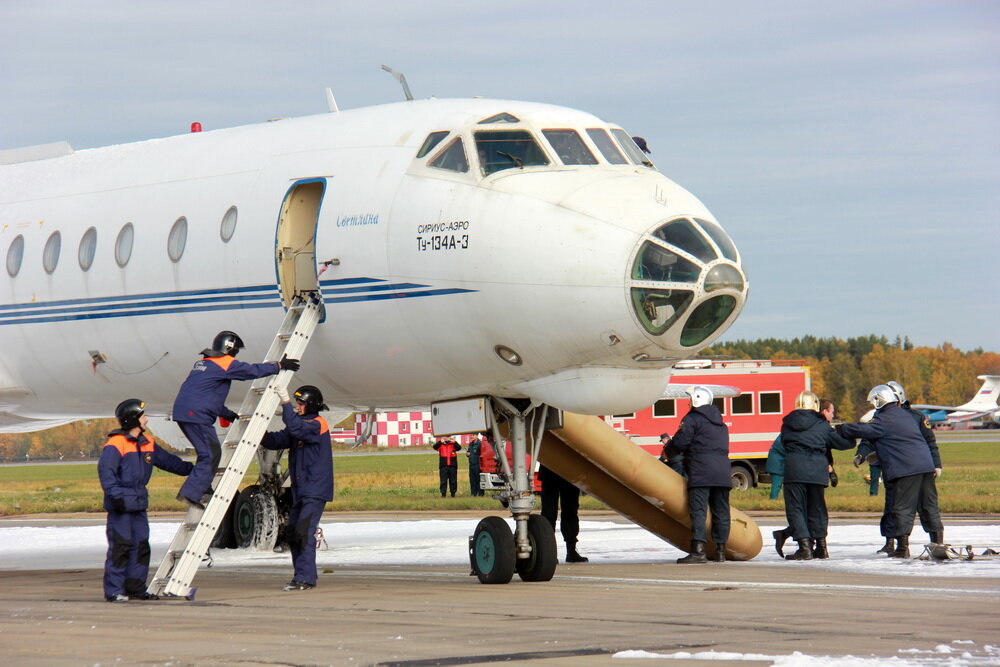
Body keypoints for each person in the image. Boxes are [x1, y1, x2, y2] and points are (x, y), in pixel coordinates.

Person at [172, 330, 299, 509]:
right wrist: (278, 366)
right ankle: (190, 493)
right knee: (211, 453)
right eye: (236, 351)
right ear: (229, 348)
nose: (236, 355)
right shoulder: (223, 362)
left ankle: (203, 488)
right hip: (197, 416)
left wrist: (227, 414)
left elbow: (205, 395)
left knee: (207, 454)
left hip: (186, 413)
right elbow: (250, 371)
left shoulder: (204, 363)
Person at [98, 399, 193, 601]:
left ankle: (135, 588)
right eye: (143, 416)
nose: (146, 419)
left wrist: (193, 470)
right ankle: (114, 591)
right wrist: (116, 497)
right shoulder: (116, 444)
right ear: (133, 419)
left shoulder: (147, 443)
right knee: (120, 547)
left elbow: (169, 462)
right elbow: (107, 473)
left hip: (139, 503)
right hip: (121, 505)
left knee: (141, 546)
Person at [838, 385, 943, 558]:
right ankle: (938, 541)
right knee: (928, 505)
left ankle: (902, 547)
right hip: (925, 467)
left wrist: (844, 429)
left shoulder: (886, 417)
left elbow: (868, 431)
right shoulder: (907, 415)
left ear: (880, 399)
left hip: (906, 468)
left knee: (902, 507)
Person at [260, 385, 333, 591]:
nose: (297, 407)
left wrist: (285, 404)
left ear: (310, 405)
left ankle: (306, 579)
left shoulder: (317, 424)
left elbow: (295, 429)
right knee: (293, 533)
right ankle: (300, 575)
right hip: (300, 489)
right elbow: (277, 440)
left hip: (314, 490)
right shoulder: (299, 425)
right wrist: (258, 431)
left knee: (303, 533)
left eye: (300, 404)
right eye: (296, 404)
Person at [779, 392, 854, 560]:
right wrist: (850, 434)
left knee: (796, 509)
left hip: (795, 468)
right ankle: (821, 546)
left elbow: (784, 443)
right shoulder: (822, 425)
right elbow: (842, 444)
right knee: (817, 508)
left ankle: (804, 547)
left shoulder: (787, 424)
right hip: (817, 470)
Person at [667, 386, 731, 564]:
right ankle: (720, 551)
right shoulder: (721, 423)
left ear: (696, 400)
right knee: (721, 511)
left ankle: (699, 551)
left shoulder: (692, 419)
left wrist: (668, 451)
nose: (688, 403)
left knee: (698, 511)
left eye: (690, 400)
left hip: (701, 471)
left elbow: (680, 443)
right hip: (722, 473)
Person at [538, 464, 589, 563]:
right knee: (553, 514)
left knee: (567, 513)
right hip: (560, 472)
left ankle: (568, 551)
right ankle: (554, 552)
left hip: (563, 473)